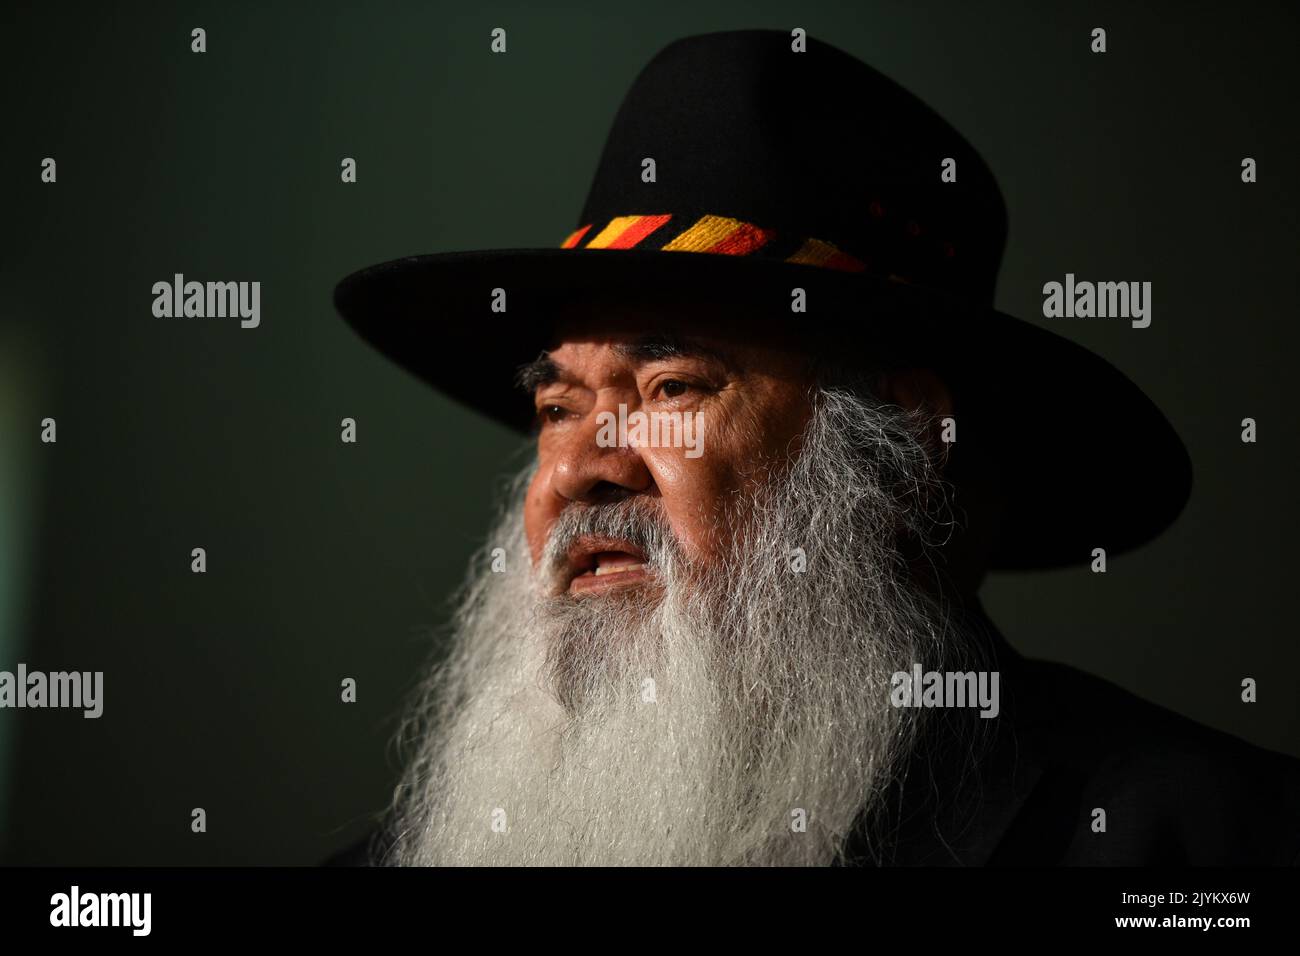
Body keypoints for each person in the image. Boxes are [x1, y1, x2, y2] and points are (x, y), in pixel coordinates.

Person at [327, 29, 1300, 866]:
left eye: (670, 389)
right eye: (557, 406)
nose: (582, 466)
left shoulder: (1193, 840)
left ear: (903, 452)